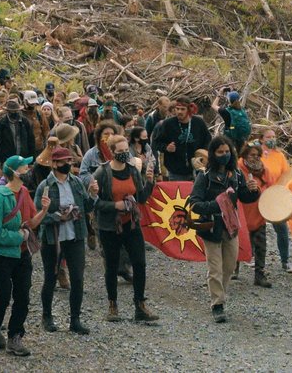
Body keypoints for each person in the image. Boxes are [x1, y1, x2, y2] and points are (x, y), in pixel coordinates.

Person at [0, 155, 46, 356]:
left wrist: (44, 211)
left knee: (22, 295)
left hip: (22, 255)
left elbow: (30, 222)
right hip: (1, 255)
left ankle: (15, 336)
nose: (29, 170)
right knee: (4, 293)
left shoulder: (24, 192)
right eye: (24, 167)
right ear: (14, 171)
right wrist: (18, 236)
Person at [188, 135, 260, 322]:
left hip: (231, 227)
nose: (224, 155)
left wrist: (254, 190)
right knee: (215, 268)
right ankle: (217, 304)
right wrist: (217, 205)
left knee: (229, 266)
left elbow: (244, 197)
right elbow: (194, 204)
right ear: (213, 153)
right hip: (211, 227)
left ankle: (220, 293)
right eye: (220, 152)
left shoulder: (236, 174)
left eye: (227, 151)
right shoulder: (204, 176)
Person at [91, 133, 158, 325]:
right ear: (111, 152)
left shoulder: (132, 171)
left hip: (131, 223)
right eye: (119, 151)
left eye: (125, 151)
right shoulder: (102, 173)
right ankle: (113, 305)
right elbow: (95, 203)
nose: (123, 154)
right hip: (109, 226)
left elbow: (142, 198)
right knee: (111, 266)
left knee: (140, 263)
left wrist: (150, 181)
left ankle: (140, 305)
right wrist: (115, 206)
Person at [34, 146, 93, 335]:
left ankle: (75, 319)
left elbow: (88, 206)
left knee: (77, 278)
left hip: (75, 235)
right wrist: (57, 216)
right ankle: (47, 316)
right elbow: (37, 215)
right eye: (63, 161)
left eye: (70, 161)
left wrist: (93, 194)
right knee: (50, 278)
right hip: (53, 237)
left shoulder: (76, 182)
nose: (68, 164)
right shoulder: (45, 186)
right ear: (54, 164)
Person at [236, 141, 272, 287]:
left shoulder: (264, 170)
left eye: (258, 155)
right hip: (242, 213)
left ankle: (259, 275)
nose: (255, 158)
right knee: (238, 243)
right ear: (245, 155)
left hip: (259, 213)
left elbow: (271, 188)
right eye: (252, 155)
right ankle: (233, 270)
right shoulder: (238, 169)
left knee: (261, 246)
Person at [150, 98, 210, 181]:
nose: (179, 112)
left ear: (189, 110)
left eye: (182, 109)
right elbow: (156, 143)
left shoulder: (199, 122)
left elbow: (208, 141)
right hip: (175, 171)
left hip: (197, 169)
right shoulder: (168, 124)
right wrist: (166, 147)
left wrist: (202, 155)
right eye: (177, 109)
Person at [259, 128, 291, 273]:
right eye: (268, 137)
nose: (271, 139)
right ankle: (254, 260)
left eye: (274, 136)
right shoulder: (255, 154)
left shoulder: (280, 156)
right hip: (258, 196)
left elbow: (287, 176)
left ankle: (285, 260)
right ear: (261, 139)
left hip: (275, 197)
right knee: (257, 229)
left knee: (282, 229)